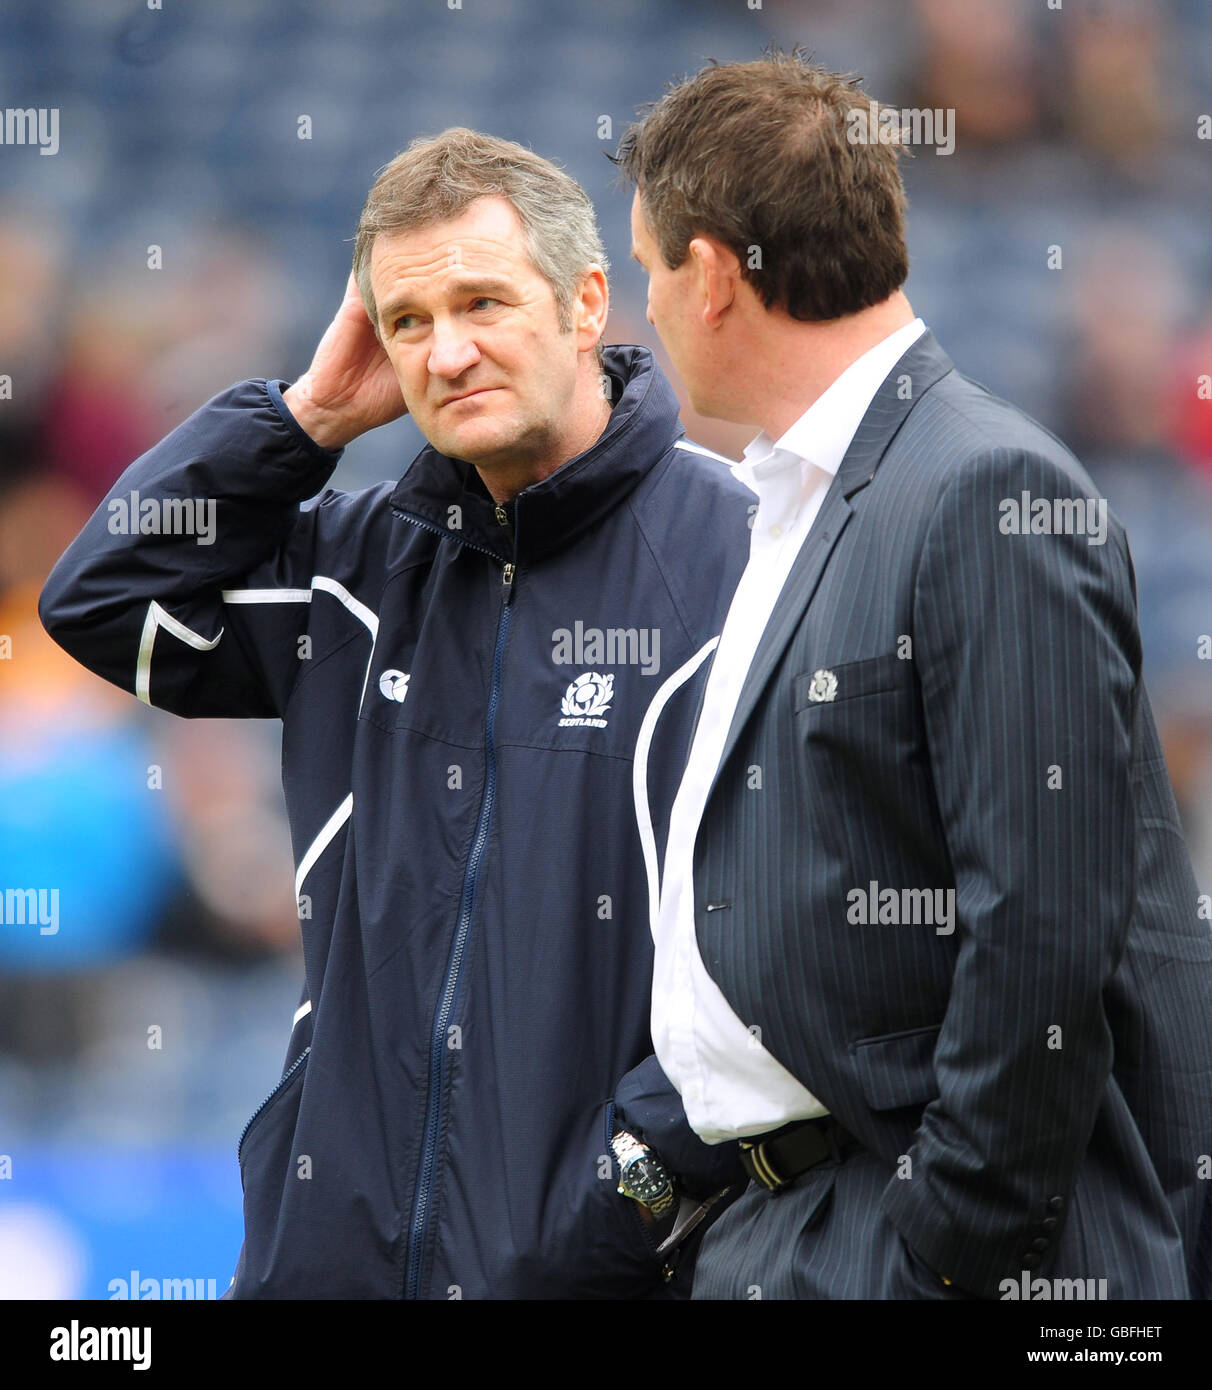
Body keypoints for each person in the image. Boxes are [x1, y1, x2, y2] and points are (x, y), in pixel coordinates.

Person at [39, 127, 750, 1299]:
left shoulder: (740, 560)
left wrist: (631, 1195)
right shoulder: (353, 568)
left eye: (482, 301)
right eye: (409, 321)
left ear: (585, 303)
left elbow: (793, 951)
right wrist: (307, 416)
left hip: (604, 1272)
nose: (448, 351)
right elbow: (101, 597)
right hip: (327, 1263)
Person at [614, 51, 1212, 1299]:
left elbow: (1045, 922)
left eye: (650, 268)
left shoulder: (984, 486)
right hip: (794, 1227)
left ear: (716, 276)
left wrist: (948, 1250)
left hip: (908, 1244)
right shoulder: (799, 498)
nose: (646, 308)